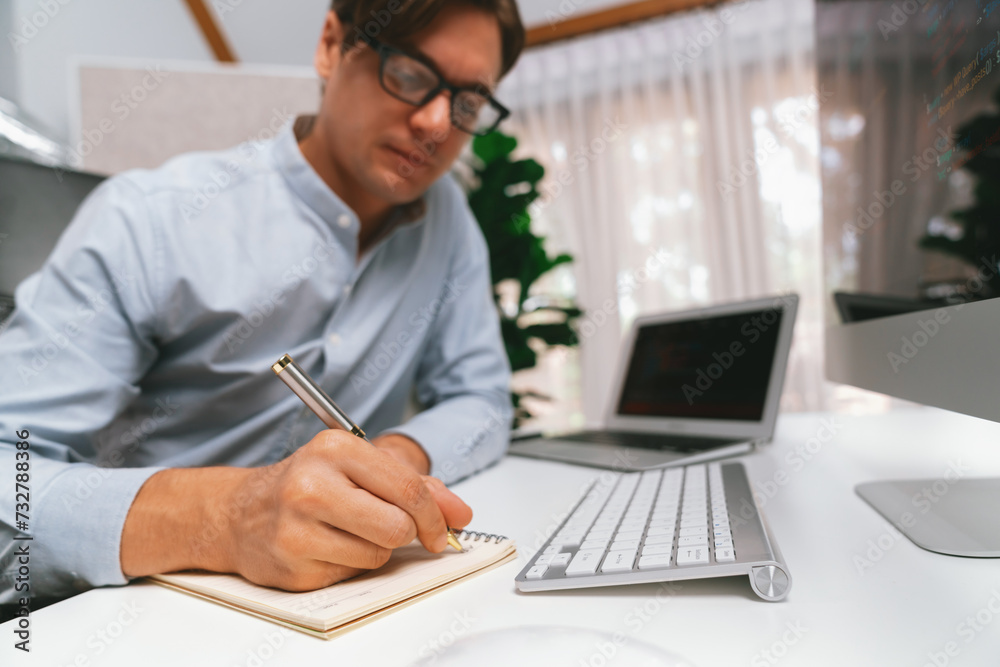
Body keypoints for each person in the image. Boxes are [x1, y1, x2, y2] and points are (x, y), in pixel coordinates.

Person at [0, 0, 525, 607]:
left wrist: (390, 463)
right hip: (146, 609)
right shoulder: (149, 220)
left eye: (468, 102)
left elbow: (480, 397)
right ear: (332, 44)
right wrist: (225, 519)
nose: (438, 123)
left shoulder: (449, 223)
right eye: (408, 73)